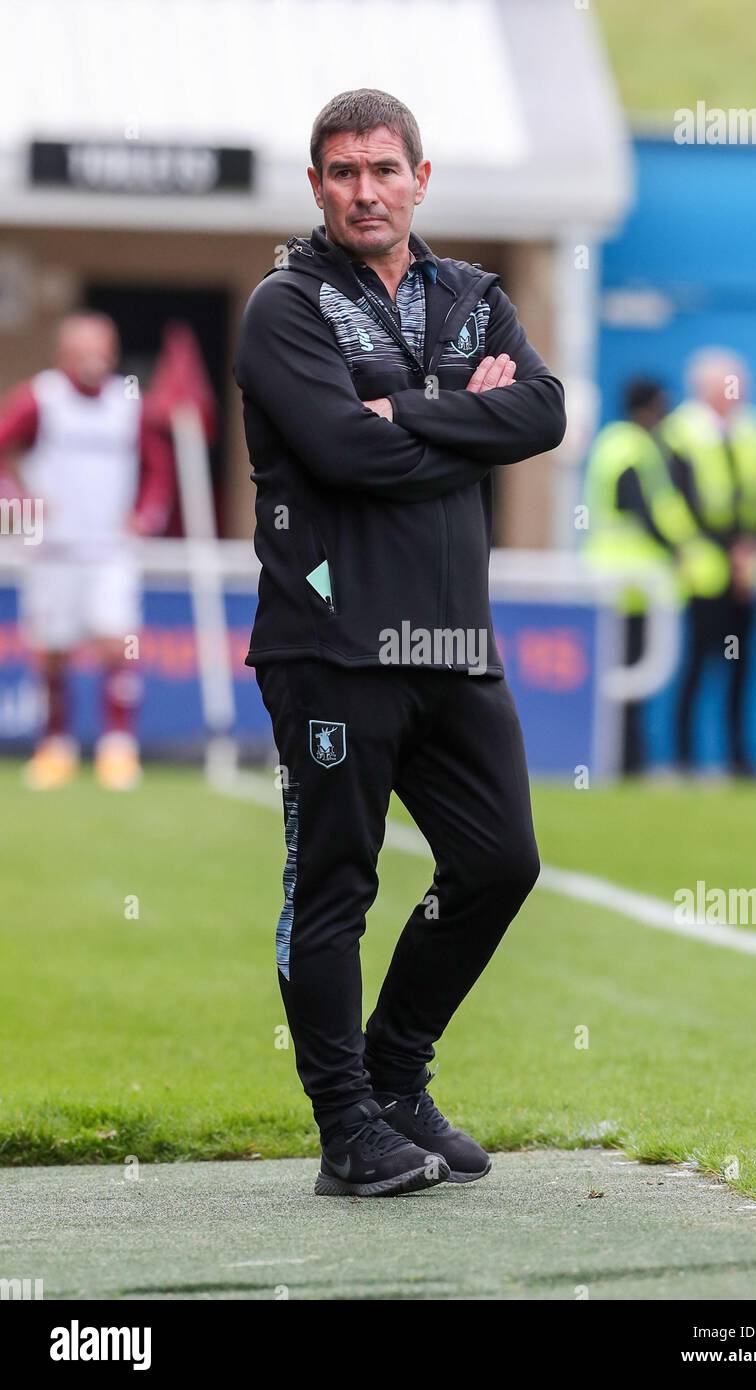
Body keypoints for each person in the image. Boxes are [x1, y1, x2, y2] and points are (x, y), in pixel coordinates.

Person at [234, 88, 566, 1198]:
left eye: (382, 169)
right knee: (335, 888)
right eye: (339, 171)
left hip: (451, 646)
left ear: (419, 178)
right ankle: (345, 1132)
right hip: (329, 643)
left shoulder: (473, 295)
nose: (362, 190)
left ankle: (393, 1076)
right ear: (317, 186)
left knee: (499, 862)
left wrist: (404, 407)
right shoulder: (283, 306)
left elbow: (543, 413)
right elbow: (340, 450)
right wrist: (462, 425)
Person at [0, 313, 175, 790]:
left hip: (109, 550)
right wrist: (18, 505)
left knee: (117, 641)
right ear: (63, 354)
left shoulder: (128, 402)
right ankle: (54, 746)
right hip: (53, 550)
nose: (94, 358)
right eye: (83, 349)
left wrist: (146, 515)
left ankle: (118, 747)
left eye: (102, 347)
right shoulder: (41, 398)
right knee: (52, 652)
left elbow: (158, 468)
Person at [583, 378, 727, 774]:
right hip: (626, 582)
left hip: (626, 580)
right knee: (626, 673)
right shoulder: (630, 446)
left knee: (628, 673)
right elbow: (641, 510)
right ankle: (625, 760)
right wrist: (678, 550)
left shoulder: (621, 443)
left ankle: (629, 757)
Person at [659, 348, 756, 776]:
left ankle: (738, 756)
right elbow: (680, 501)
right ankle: (684, 757)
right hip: (704, 572)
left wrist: (753, 548)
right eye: (732, 383)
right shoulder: (681, 433)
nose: (740, 391)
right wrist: (729, 549)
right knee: (697, 664)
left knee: (742, 666)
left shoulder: (754, 428)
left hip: (747, 572)